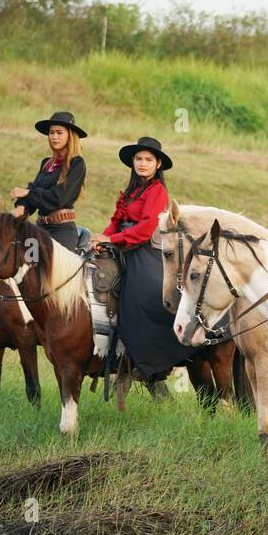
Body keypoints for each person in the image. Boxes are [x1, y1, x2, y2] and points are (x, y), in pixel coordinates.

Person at [95, 136, 184, 388]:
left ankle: (148, 360)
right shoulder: (131, 191)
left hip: (142, 251)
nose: (142, 164)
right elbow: (116, 219)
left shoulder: (158, 191)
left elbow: (145, 229)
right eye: (139, 159)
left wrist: (113, 238)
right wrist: (102, 238)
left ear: (157, 165)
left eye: (148, 159)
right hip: (121, 245)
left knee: (139, 298)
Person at [11, 111, 87, 252]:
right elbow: (34, 190)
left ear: (69, 136)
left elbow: (59, 197)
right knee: (26, 265)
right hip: (40, 228)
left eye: (59, 133)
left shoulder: (77, 163)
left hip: (62, 231)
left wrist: (28, 192)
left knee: (55, 271)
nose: (54, 137)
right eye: (51, 133)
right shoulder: (46, 163)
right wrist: (22, 207)